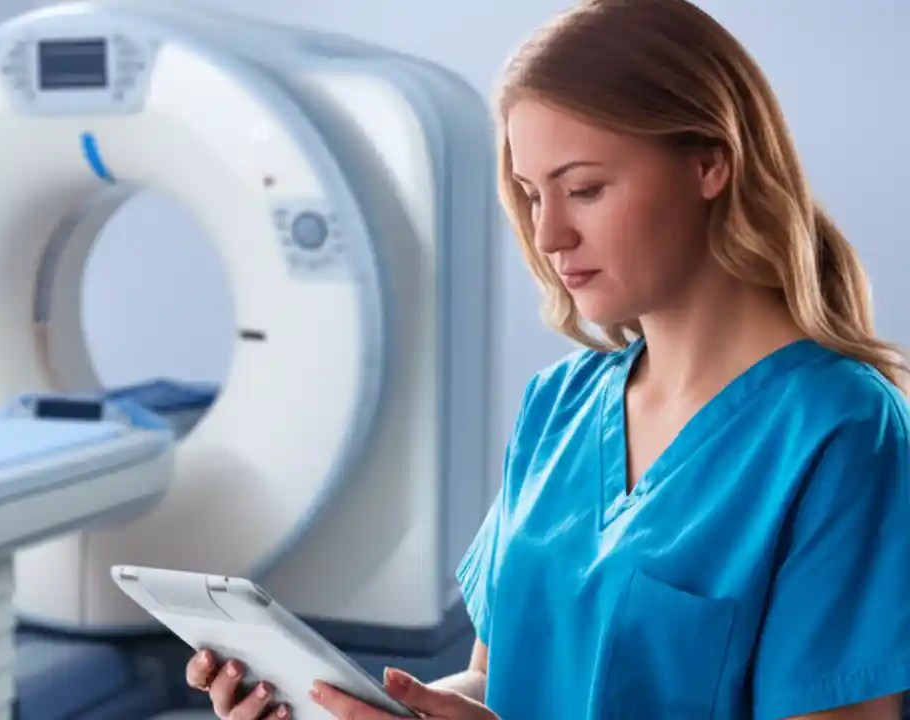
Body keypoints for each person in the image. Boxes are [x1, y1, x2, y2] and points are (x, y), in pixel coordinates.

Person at [184, 0, 910, 717]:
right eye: (532, 196)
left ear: (710, 165)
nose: (550, 233)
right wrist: (386, 709)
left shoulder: (843, 432)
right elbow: (496, 687)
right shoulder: (558, 405)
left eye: (585, 190)